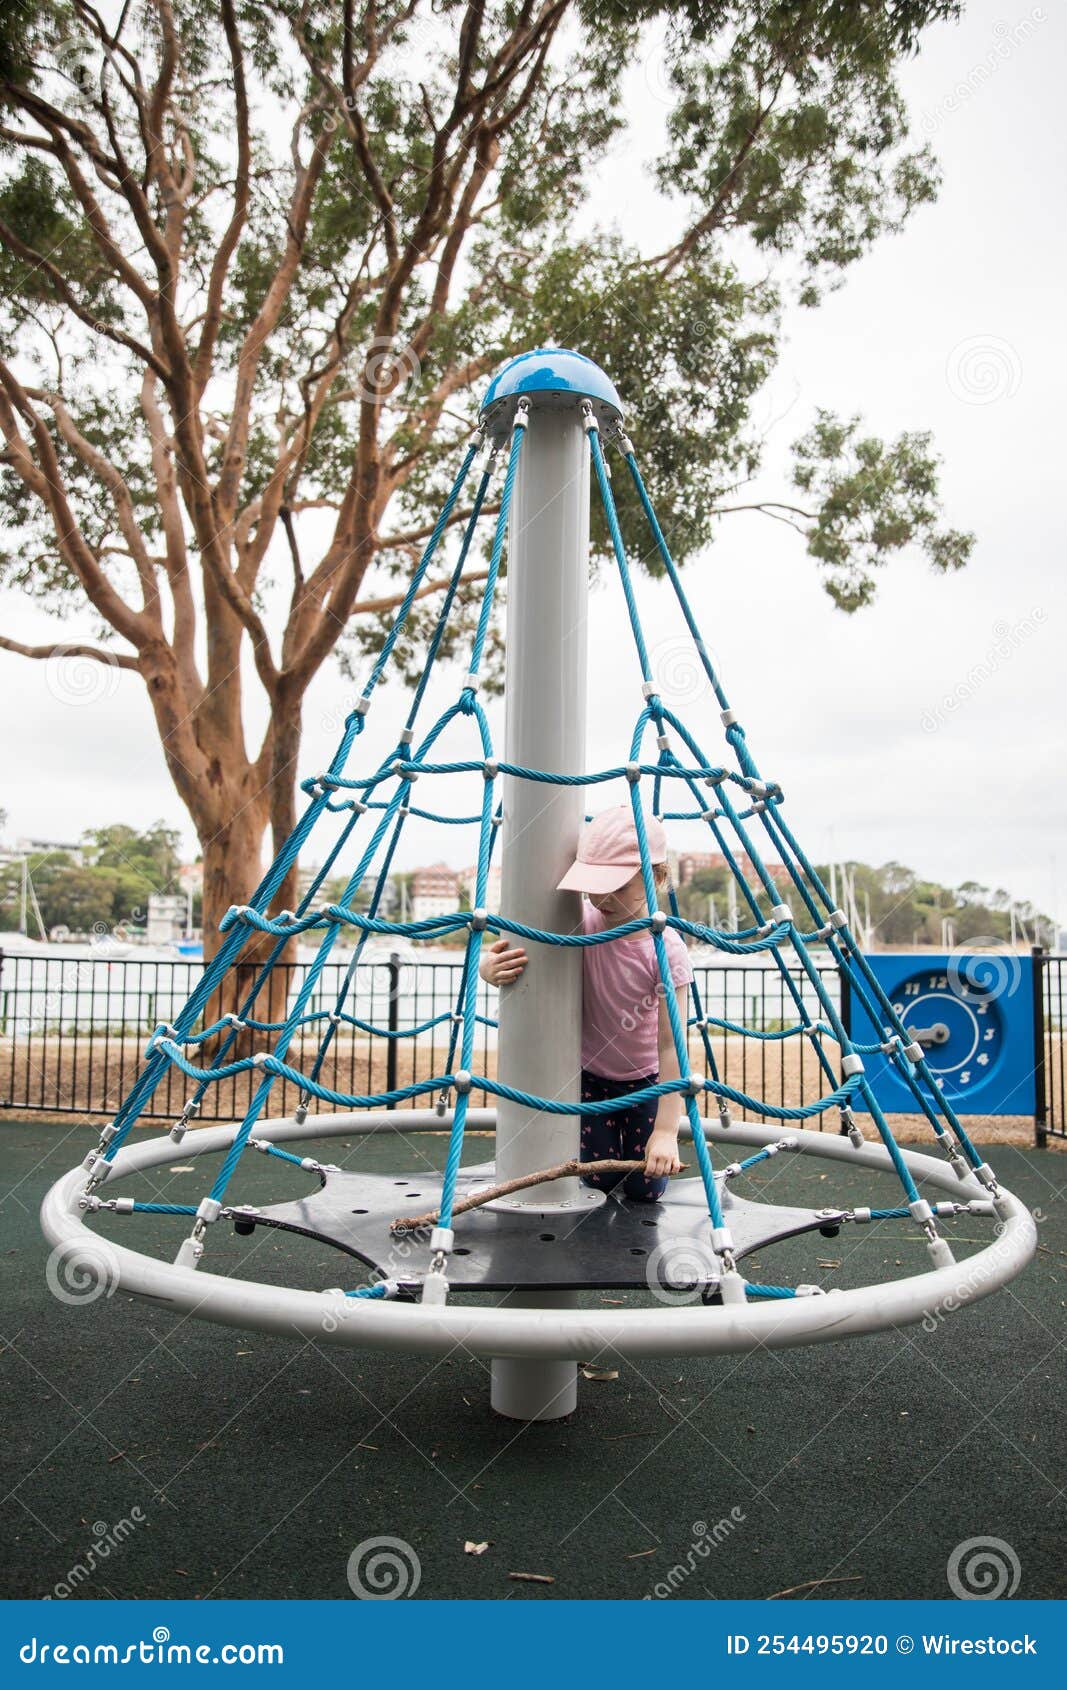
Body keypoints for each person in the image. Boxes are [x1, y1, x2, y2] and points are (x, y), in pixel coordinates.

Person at [479, 805, 693, 1201]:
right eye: (595, 884)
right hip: (588, 1076)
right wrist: (488, 967)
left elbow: (671, 1043)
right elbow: (520, 950)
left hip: (645, 1080)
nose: (603, 898)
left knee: (647, 1188)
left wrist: (666, 1132)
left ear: (657, 877)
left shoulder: (666, 950)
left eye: (618, 885)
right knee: (598, 1180)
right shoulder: (579, 922)